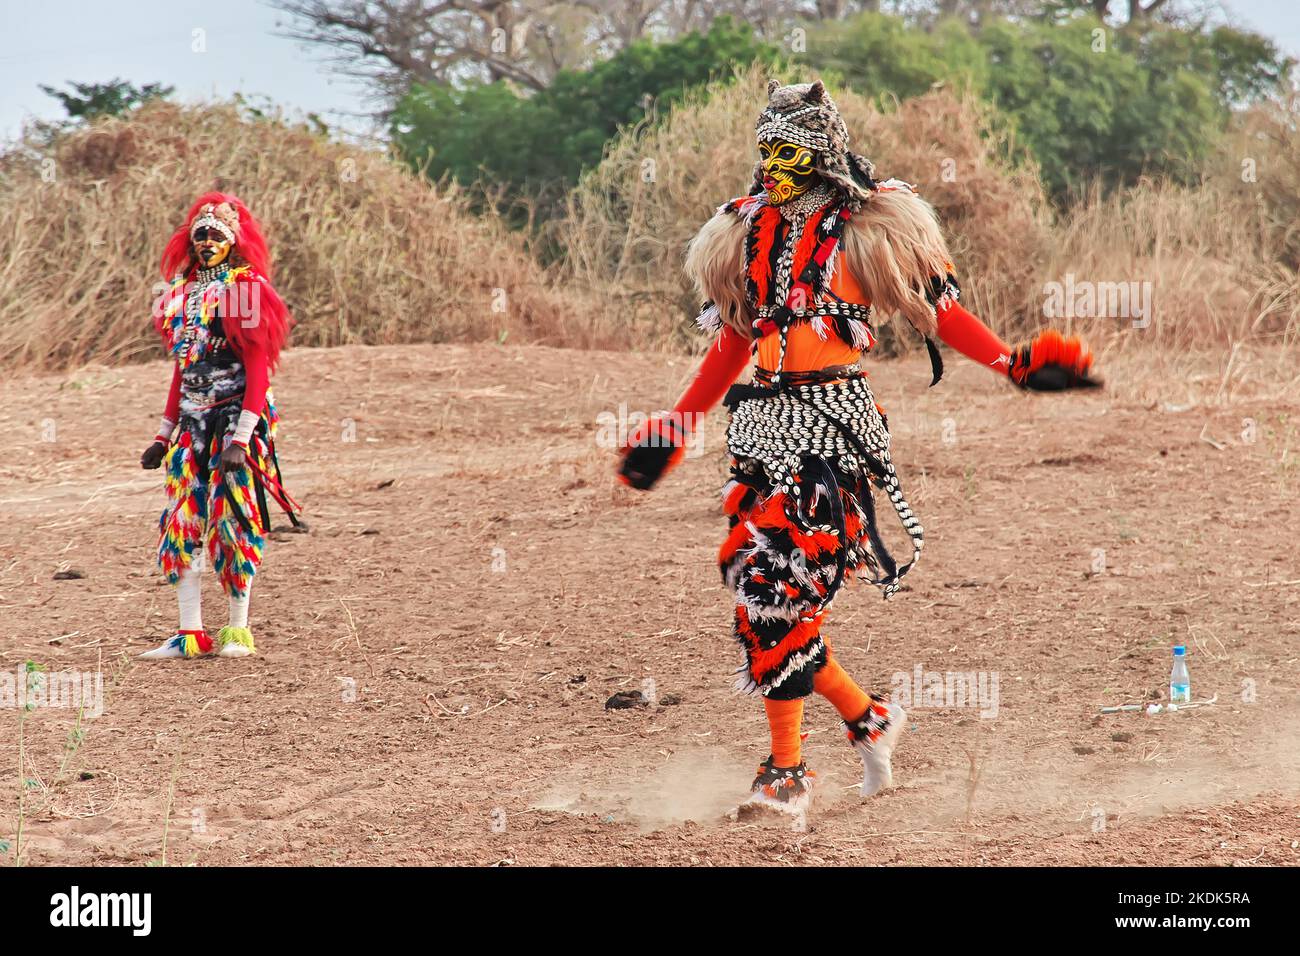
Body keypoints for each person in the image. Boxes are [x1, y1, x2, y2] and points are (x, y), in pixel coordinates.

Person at [617, 80, 1099, 813]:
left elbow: (940, 312)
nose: (772, 167)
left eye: (787, 152)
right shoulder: (743, 231)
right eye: (764, 152)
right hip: (759, 432)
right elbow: (732, 344)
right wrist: (676, 427)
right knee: (764, 597)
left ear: (818, 154)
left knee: (783, 593)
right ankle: (870, 719)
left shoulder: (866, 229)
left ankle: (787, 776)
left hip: (831, 431)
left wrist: (1014, 364)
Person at [138, 193, 295, 660]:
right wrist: (163, 435)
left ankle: (237, 631)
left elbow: (258, 366)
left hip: (233, 418)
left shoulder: (245, 290)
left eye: (217, 234)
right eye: (200, 234)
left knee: (234, 518)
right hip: (192, 419)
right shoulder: (181, 293)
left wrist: (242, 439)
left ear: (233, 241)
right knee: (183, 517)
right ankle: (189, 633)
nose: (207, 241)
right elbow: (181, 369)